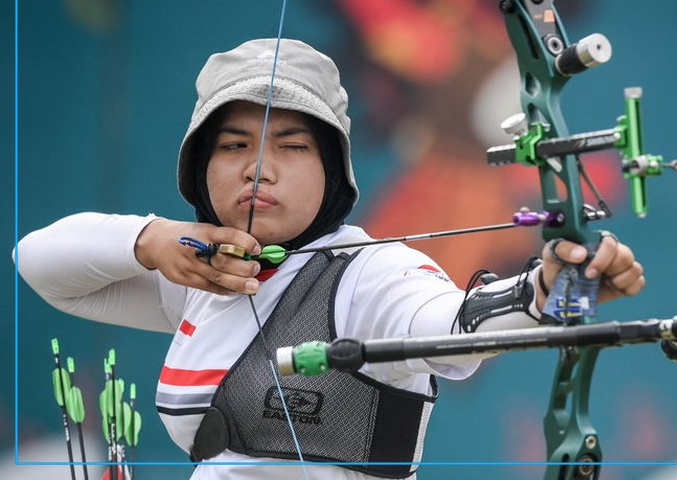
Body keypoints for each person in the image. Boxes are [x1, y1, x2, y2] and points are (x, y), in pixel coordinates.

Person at [15, 39, 644, 480]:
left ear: (333, 173)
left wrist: (553, 291)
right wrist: (152, 240)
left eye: (291, 147)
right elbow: (40, 265)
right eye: (233, 145)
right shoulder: (203, 279)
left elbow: (457, 327)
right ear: (199, 167)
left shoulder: (367, 275)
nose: (258, 168)